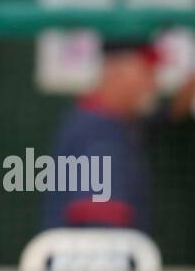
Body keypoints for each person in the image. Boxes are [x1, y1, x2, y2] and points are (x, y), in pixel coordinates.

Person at [43, 38, 195, 232]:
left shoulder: (110, 123)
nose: (153, 84)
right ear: (118, 73)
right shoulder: (100, 136)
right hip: (93, 258)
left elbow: (160, 120)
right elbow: (100, 233)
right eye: (147, 72)